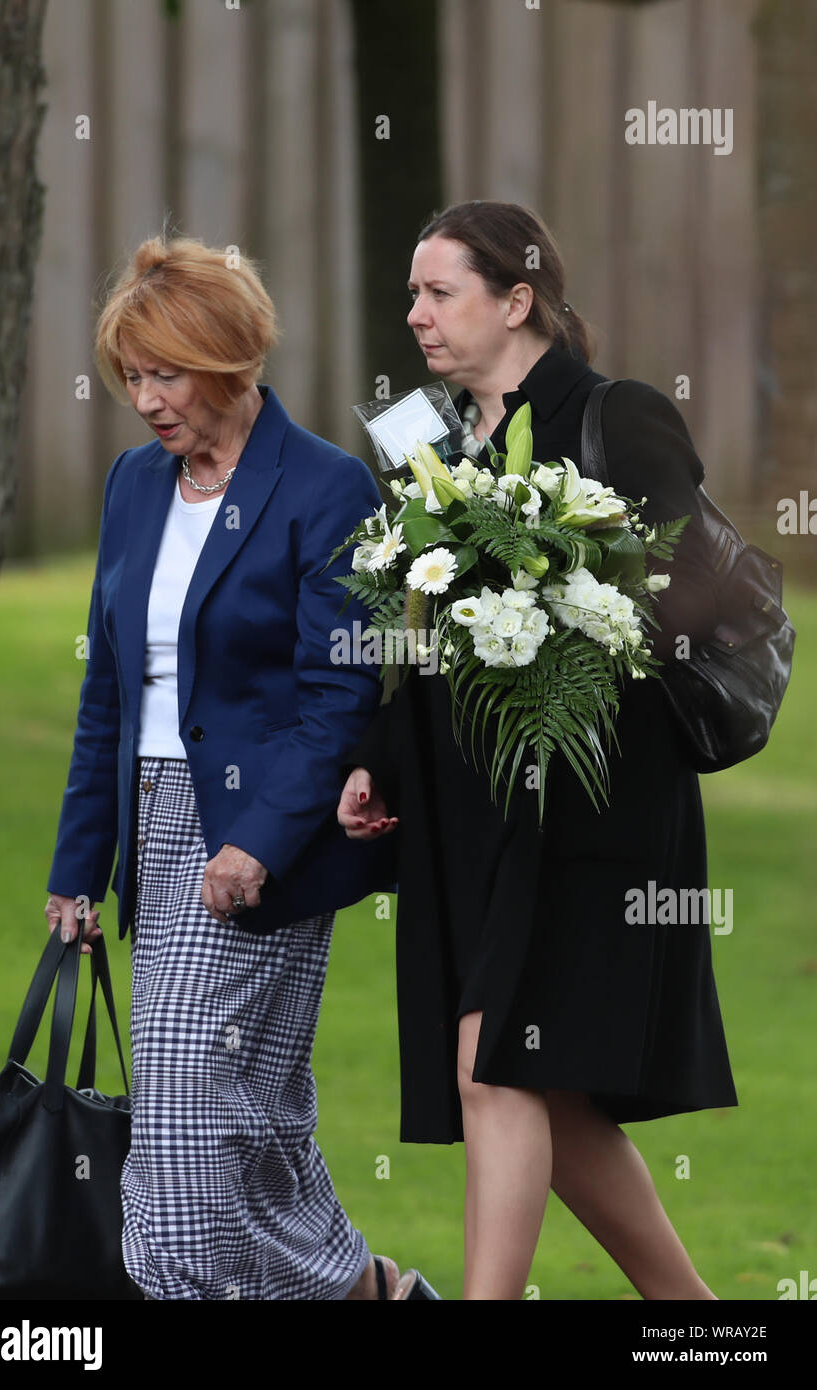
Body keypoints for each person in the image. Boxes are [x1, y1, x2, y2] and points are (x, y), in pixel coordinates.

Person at [338, 201, 737, 1302]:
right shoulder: (419, 436)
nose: (413, 314)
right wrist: (379, 750)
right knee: (544, 1085)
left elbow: (687, 596)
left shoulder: (621, 416)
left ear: (516, 301)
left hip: (591, 805)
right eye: (411, 293)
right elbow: (413, 624)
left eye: (437, 292)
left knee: (495, 1061)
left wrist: (556, 599)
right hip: (468, 812)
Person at [43, 233, 416, 1300]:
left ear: (228, 358)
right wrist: (80, 867)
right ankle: (364, 1291)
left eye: (166, 371)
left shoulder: (325, 487)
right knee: (242, 1113)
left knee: (183, 1112)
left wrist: (255, 839)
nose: (146, 399)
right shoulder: (131, 485)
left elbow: (337, 694)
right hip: (147, 821)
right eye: (131, 376)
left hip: (260, 833)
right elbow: (106, 693)